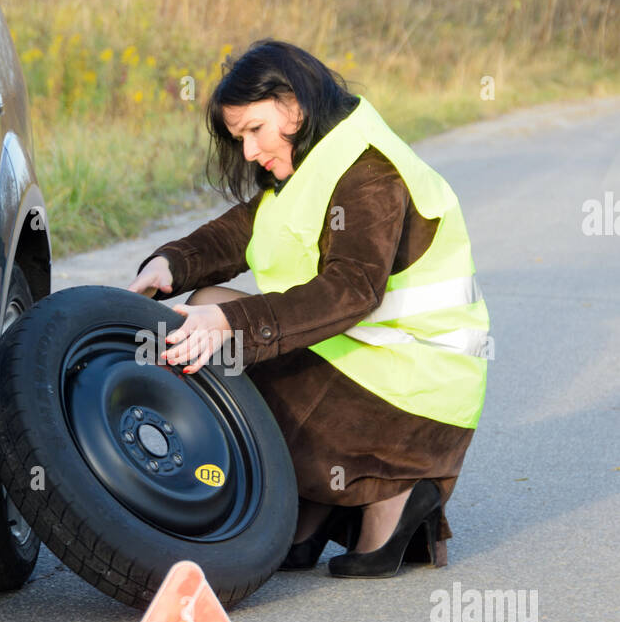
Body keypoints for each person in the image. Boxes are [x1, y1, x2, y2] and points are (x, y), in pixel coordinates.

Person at [129, 40, 490, 577]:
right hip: (372, 360)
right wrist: (168, 265)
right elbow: (238, 234)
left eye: (254, 129)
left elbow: (350, 290)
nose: (249, 151)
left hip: (416, 385)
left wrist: (232, 322)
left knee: (222, 331)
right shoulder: (312, 166)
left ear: (292, 105)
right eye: (238, 138)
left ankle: (390, 487)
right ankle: (319, 498)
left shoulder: (368, 171)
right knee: (207, 307)